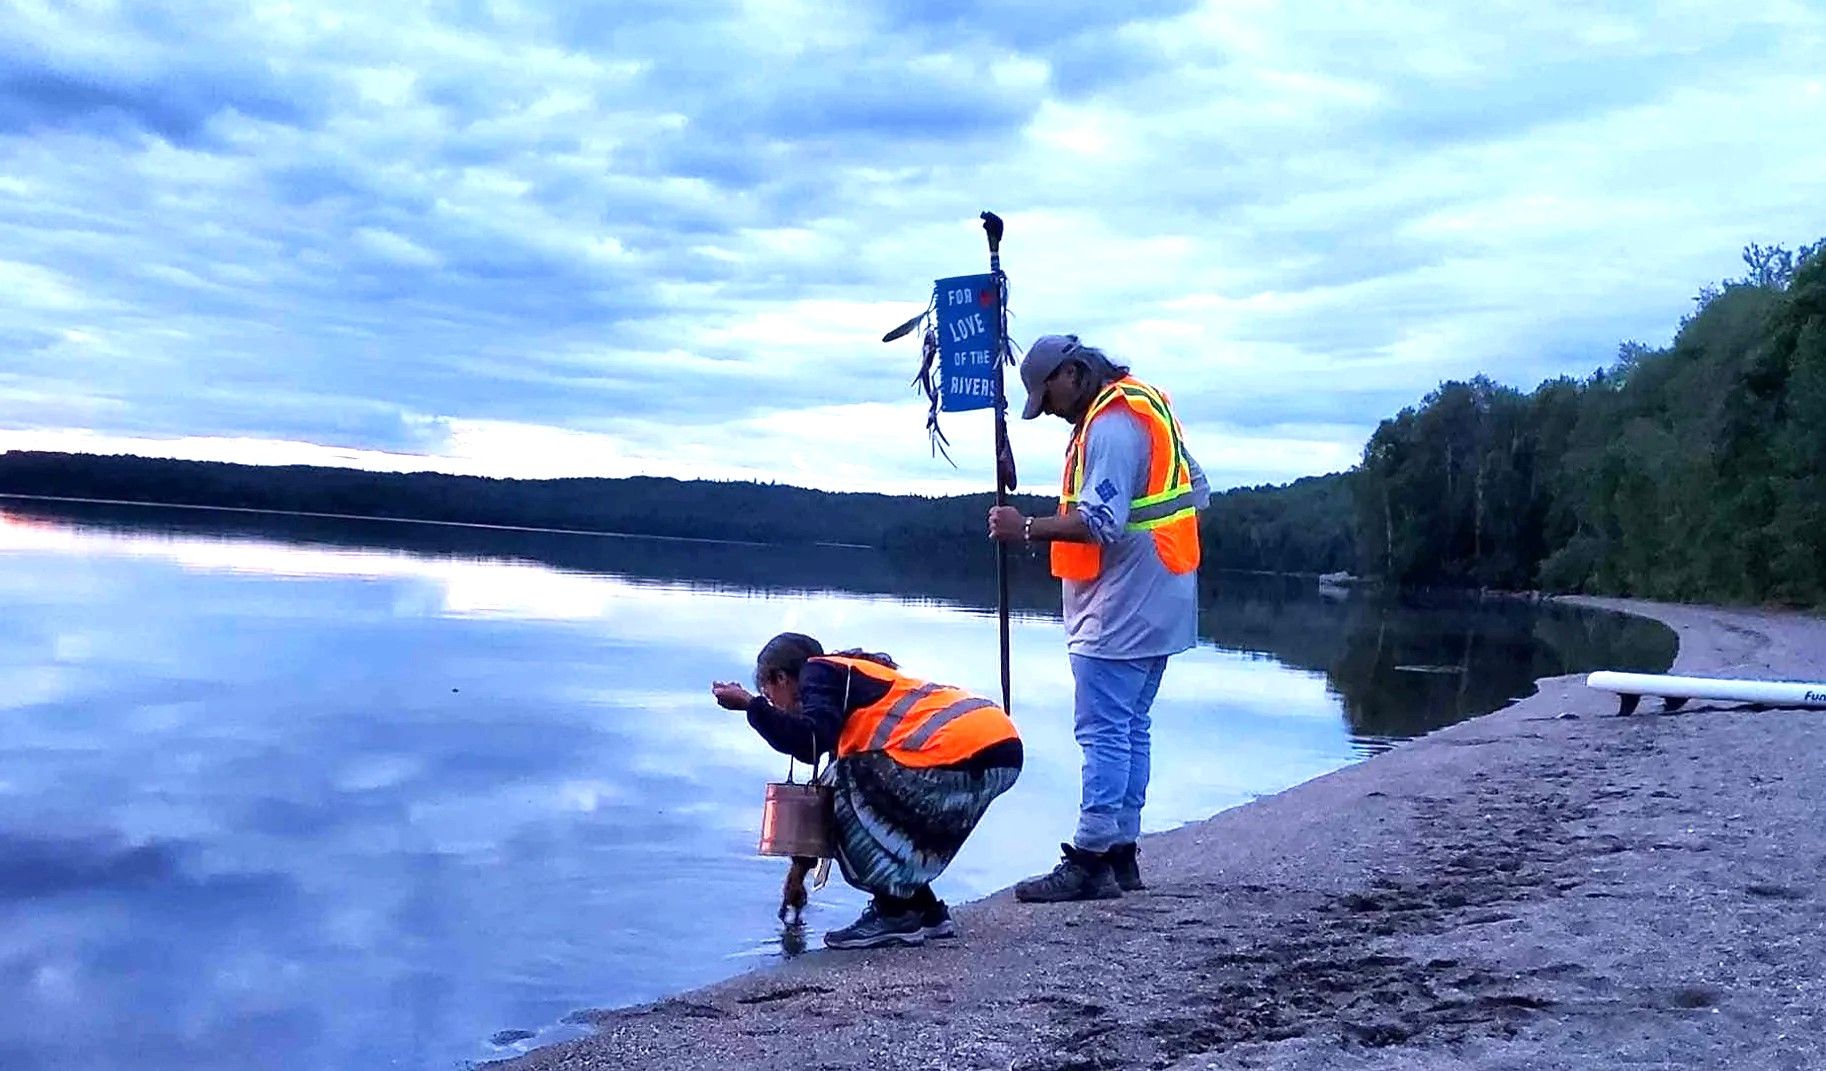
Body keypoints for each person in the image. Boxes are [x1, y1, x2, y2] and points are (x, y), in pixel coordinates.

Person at [987, 333, 1208, 902]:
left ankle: (1088, 860)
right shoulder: (1147, 405)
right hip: (1164, 597)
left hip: (1121, 608)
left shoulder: (1110, 425)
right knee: (1131, 727)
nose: (1052, 410)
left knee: (1104, 732)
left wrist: (1026, 528)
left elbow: (1102, 521)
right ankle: (1121, 854)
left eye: (1049, 396)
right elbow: (1197, 490)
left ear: (1073, 373)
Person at [711, 632, 1023, 949]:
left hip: (959, 750)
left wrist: (752, 706)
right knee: (884, 816)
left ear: (782, 677)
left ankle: (895, 914)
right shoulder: (848, 689)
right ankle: (925, 912)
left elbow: (810, 744)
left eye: (770, 693)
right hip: (996, 749)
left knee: (844, 796)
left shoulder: (817, 671)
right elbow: (822, 763)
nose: (775, 704)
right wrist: (797, 877)